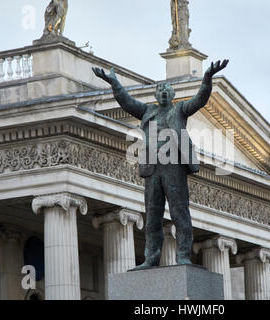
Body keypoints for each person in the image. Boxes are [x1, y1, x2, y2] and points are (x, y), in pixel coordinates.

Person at [92, 60, 229, 268]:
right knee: (152, 216)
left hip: (173, 166)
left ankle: (183, 256)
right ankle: (151, 257)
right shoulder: (147, 111)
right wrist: (114, 83)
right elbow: (126, 101)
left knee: (179, 213)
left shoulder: (181, 110)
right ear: (156, 95)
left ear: (173, 95)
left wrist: (208, 77)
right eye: (160, 90)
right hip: (152, 168)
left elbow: (200, 99)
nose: (164, 92)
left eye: (167, 90)